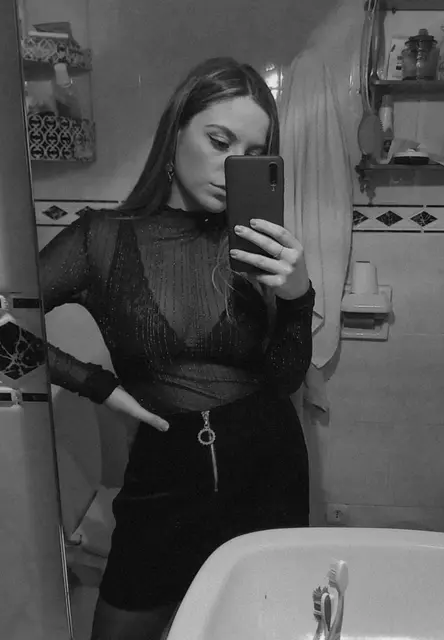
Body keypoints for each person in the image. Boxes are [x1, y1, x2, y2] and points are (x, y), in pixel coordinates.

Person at [37, 56, 315, 640]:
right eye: (219, 141)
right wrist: (97, 385)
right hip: (161, 486)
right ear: (176, 132)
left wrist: (297, 297)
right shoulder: (100, 240)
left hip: (266, 474)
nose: (230, 166)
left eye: (251, 152)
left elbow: (285, 378)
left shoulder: (255, 244)